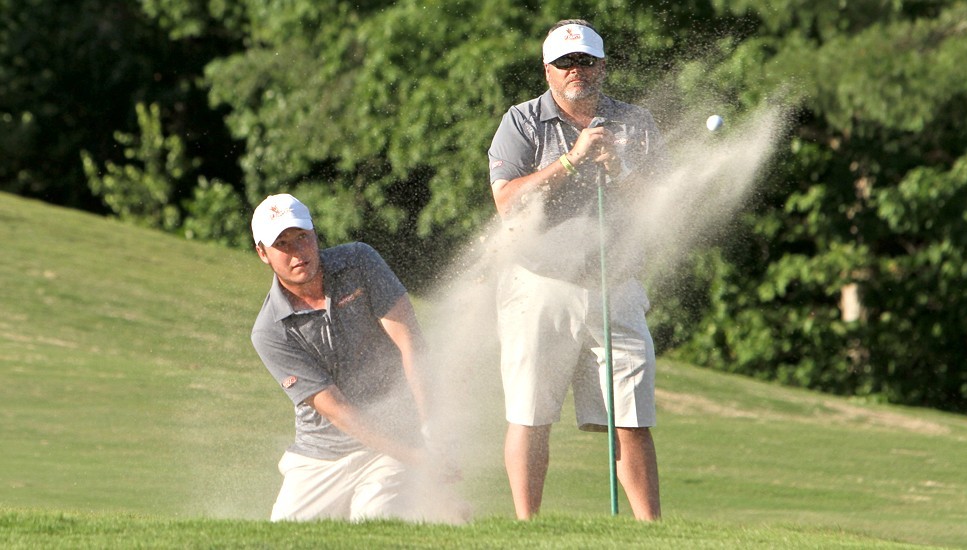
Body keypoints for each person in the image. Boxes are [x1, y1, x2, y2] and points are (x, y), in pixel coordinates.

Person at [487, 19, 664, 520]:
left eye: (585, 61)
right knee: (530, 414)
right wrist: (572, 160)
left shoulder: (636, 122)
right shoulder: (521, 122)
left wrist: (620, 171)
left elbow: (663, 204)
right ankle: (527, 526)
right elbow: (506, 203)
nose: (576, 71)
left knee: (631, 417)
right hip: (539, 285)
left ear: (602, 65)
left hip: (617, 285)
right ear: (547, 70)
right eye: (565, 63)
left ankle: (650, 530)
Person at [249, 193, 463, 523]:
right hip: (321, 455)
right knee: (283, 537)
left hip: (397, 437)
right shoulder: (270, 331)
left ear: (315, 235)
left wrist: (429, 430)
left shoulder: (359, 262)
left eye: (302, 238)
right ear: (263, 253)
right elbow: (339, 412)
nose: (298, 253)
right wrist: (421, 459)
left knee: (376, 518)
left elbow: (410, 344)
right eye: (282, 244)